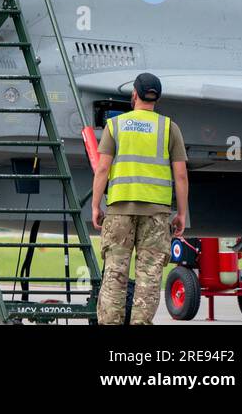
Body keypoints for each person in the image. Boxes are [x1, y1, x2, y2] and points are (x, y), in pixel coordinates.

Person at [91, 72, 190, 324]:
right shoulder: (169, 128)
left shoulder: (115, 126)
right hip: (156, 216)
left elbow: (102, 169)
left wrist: (95, 206)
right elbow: (181, 176)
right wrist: (181, 214)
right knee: (149, 277)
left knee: (115, 274)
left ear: (134, 94)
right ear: (157, 98)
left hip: (119, 212)